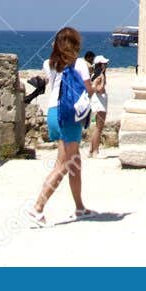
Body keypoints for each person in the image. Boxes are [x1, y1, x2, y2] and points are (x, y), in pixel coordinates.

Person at [29, 26, 93, 226]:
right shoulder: (80, 64)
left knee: (75, 163)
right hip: (69, 114)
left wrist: (54, 45)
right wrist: (97, 86)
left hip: (53, 113)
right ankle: (38, 207)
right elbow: (88, 91)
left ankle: (80, 207)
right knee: (63, 165)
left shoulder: (49, 64)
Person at [83, 51, 109, 157]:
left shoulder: (94, 74)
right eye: (104, 63)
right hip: (100, 103)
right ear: (100, 64)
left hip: (96, 102)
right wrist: (102, 83)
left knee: (97, 127)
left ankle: (91, 150)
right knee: (99, 127)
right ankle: (95, 151)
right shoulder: (100, 76)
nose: (106, 65)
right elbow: (99, 89)